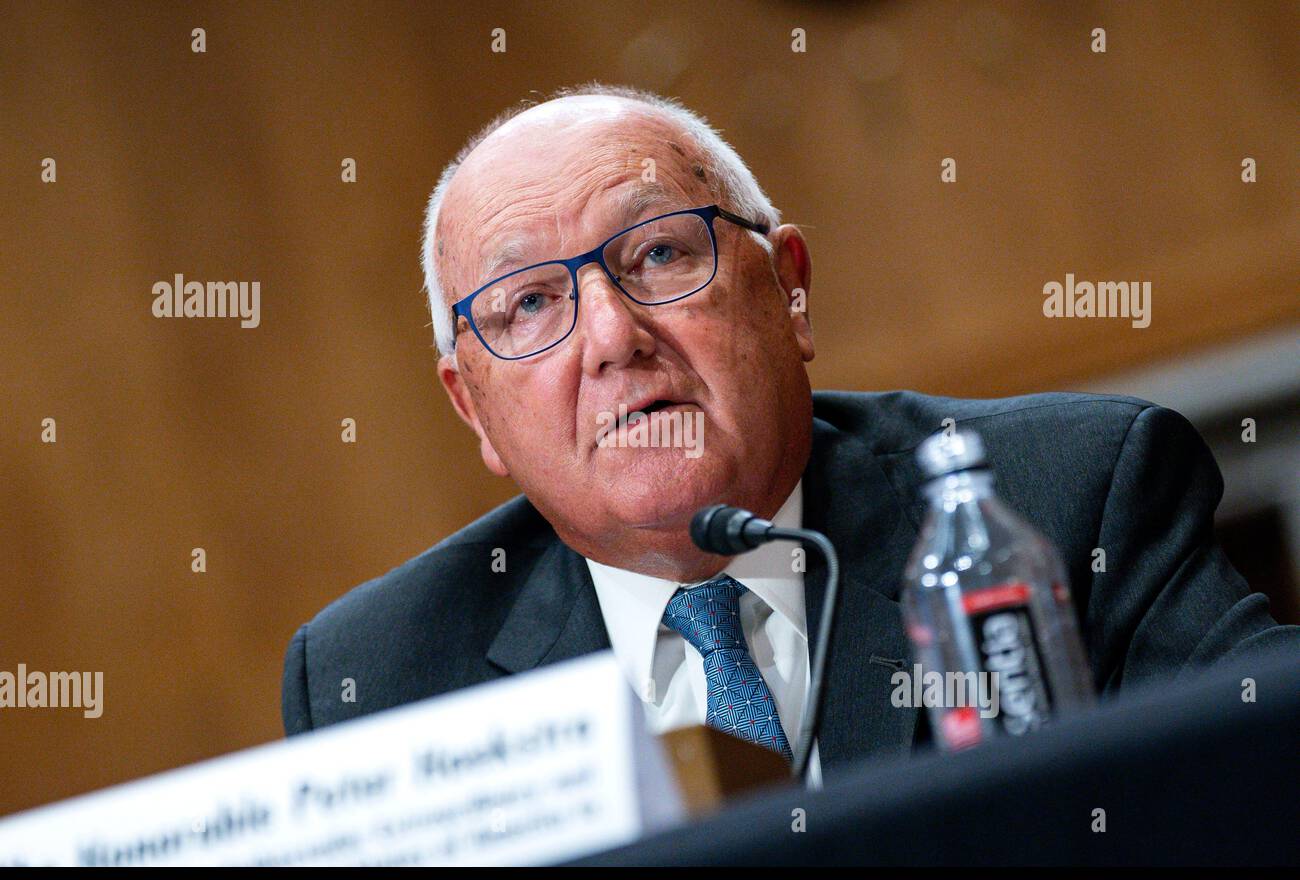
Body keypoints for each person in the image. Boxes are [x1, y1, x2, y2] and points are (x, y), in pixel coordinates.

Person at [281, 83, 1294, 779]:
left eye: (661, 252)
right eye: (529, 305)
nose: (609, 337)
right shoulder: (382, 680)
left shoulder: (1066, 493)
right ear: (474, 408)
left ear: (791, 290)